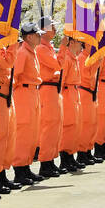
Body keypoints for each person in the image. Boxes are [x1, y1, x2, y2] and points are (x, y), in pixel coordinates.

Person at [10, 22, 43, 184]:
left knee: (32, 132)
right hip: (23, 93)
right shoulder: (23, 52)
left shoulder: (32, 52)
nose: (40, 37)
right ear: (29, 37)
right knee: (24, 132)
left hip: (33, 92)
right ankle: (19, 169)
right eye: (37, 35)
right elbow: (15, 76)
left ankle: (26, 166)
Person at [0, 38, 20, 193]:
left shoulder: (1, 49)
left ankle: (2, 174)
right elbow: (7, 63)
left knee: (9, 136)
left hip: (7, 96)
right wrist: (13, 44)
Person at [36, 17, 64, 177]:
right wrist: (64, 49)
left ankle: (51, 160)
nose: (54, 29)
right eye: (52, 26)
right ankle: (45, 162)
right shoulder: (41, 48)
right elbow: (58, 65)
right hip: (47, 89)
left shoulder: (48, 47)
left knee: (55, 126)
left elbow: (58, 68)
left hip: (54, 90)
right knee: (49, 126)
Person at [57, 35, 84, 173]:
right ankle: (64, 158)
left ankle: (70, 156)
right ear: (72, 42)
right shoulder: (67, 58)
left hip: (74, 92)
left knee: (75, 127)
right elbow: (61, 80)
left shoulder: (74, 58)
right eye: (79, 42)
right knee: (68, 127)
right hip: (67, 93)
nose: (81, 45)